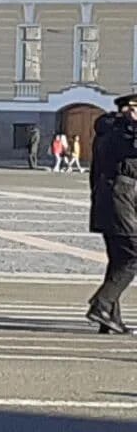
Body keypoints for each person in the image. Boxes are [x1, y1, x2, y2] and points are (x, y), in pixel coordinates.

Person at [86, 95, 137, 335]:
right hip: (121, 199)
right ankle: (103, 304)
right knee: (133, 255)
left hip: (105, 198)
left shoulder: (106, 132)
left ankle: (109, 318)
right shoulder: (124, 133)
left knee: (118, 259)